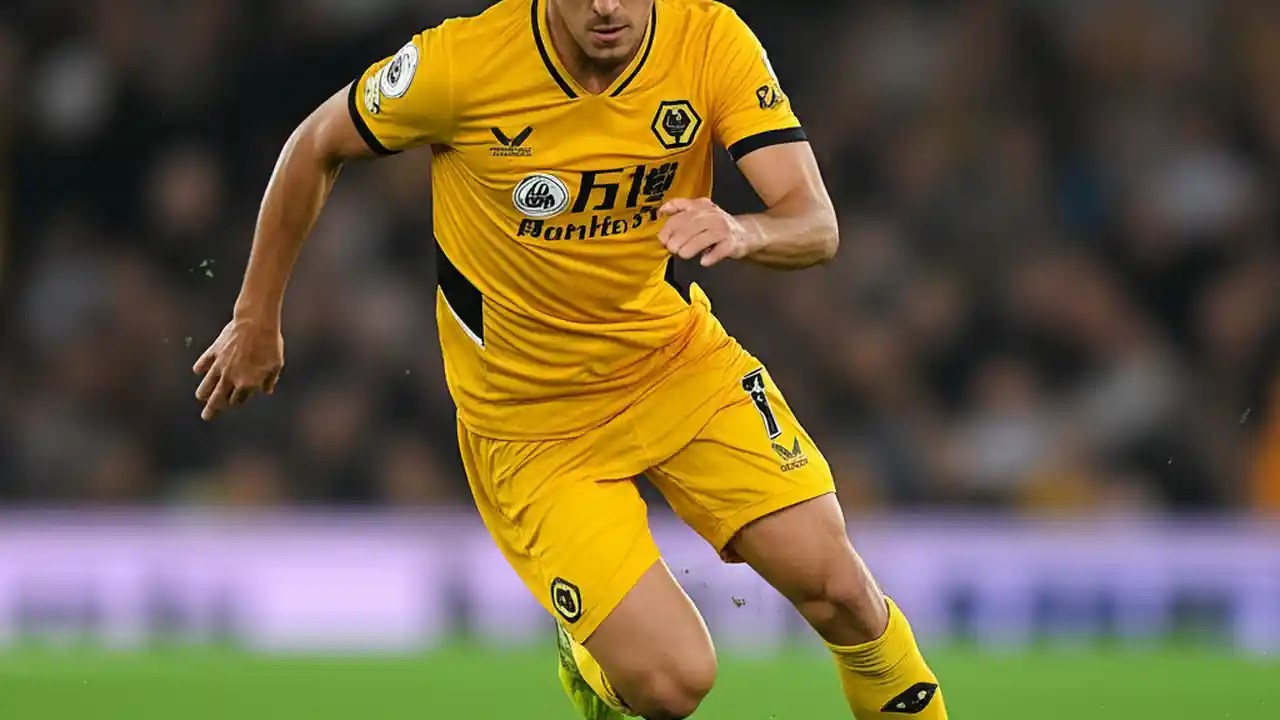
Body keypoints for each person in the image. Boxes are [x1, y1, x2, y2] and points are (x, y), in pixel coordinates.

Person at [192, 0, 948, 717]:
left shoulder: (708, 38)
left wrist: (749, 232)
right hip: (532, 429)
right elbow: (316, 143)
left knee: (842, 592)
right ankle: (590, 658)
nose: (609, 8)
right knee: (675, 682)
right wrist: (256, 316)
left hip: (676, 366)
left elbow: (815, 224)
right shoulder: (463, 64)